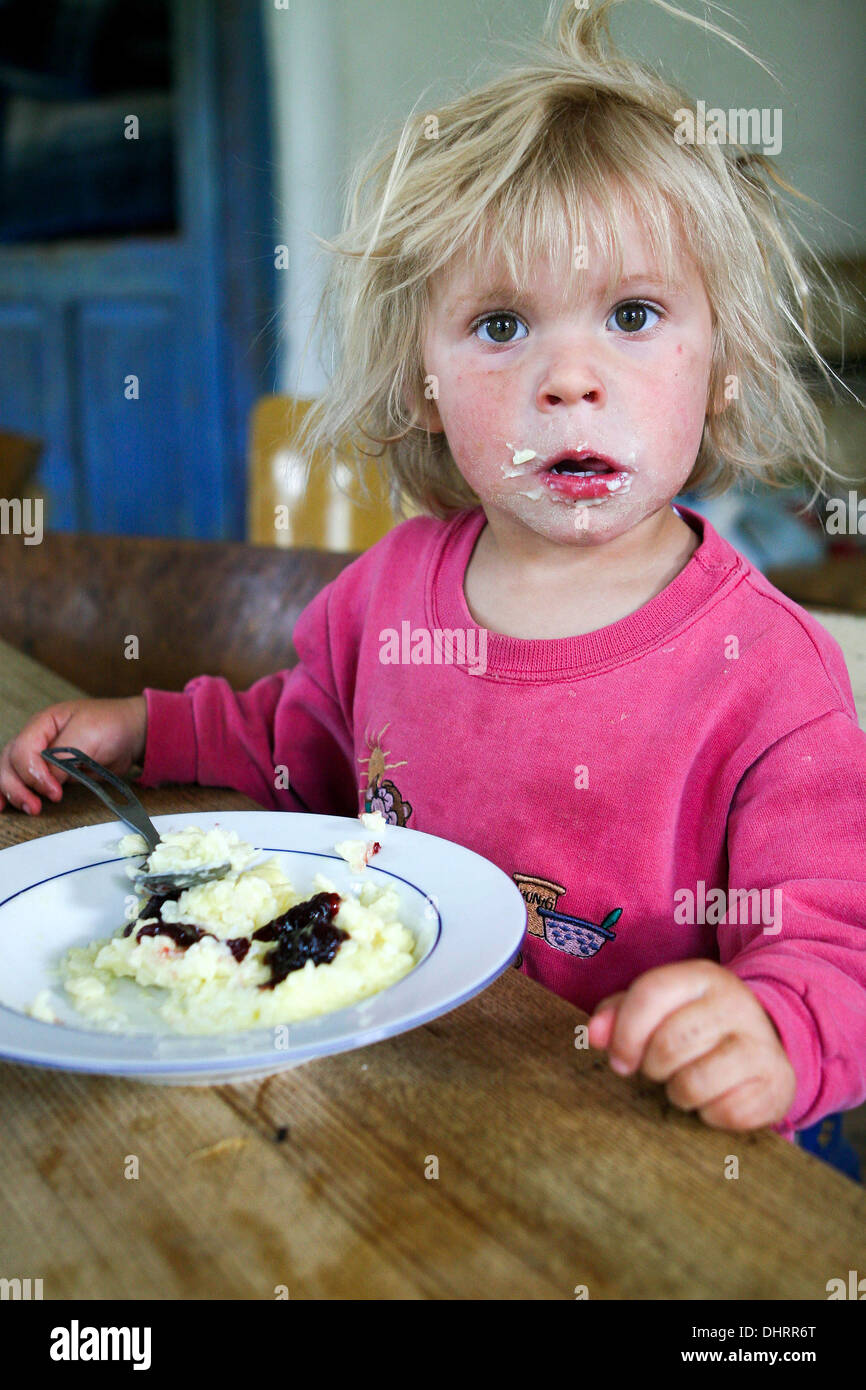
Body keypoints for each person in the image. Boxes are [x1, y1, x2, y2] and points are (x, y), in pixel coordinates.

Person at [2, 0, 864, 1150]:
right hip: (390, 1102)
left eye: (633, 314)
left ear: (719, 367)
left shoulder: (768, 674)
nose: (569, 377)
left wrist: (773, 1028)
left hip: (635, 1148)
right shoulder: (392, 588)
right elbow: (297, 745)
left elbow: (838, 941)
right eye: (501, 325)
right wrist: (145, 729)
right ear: (421, 381)